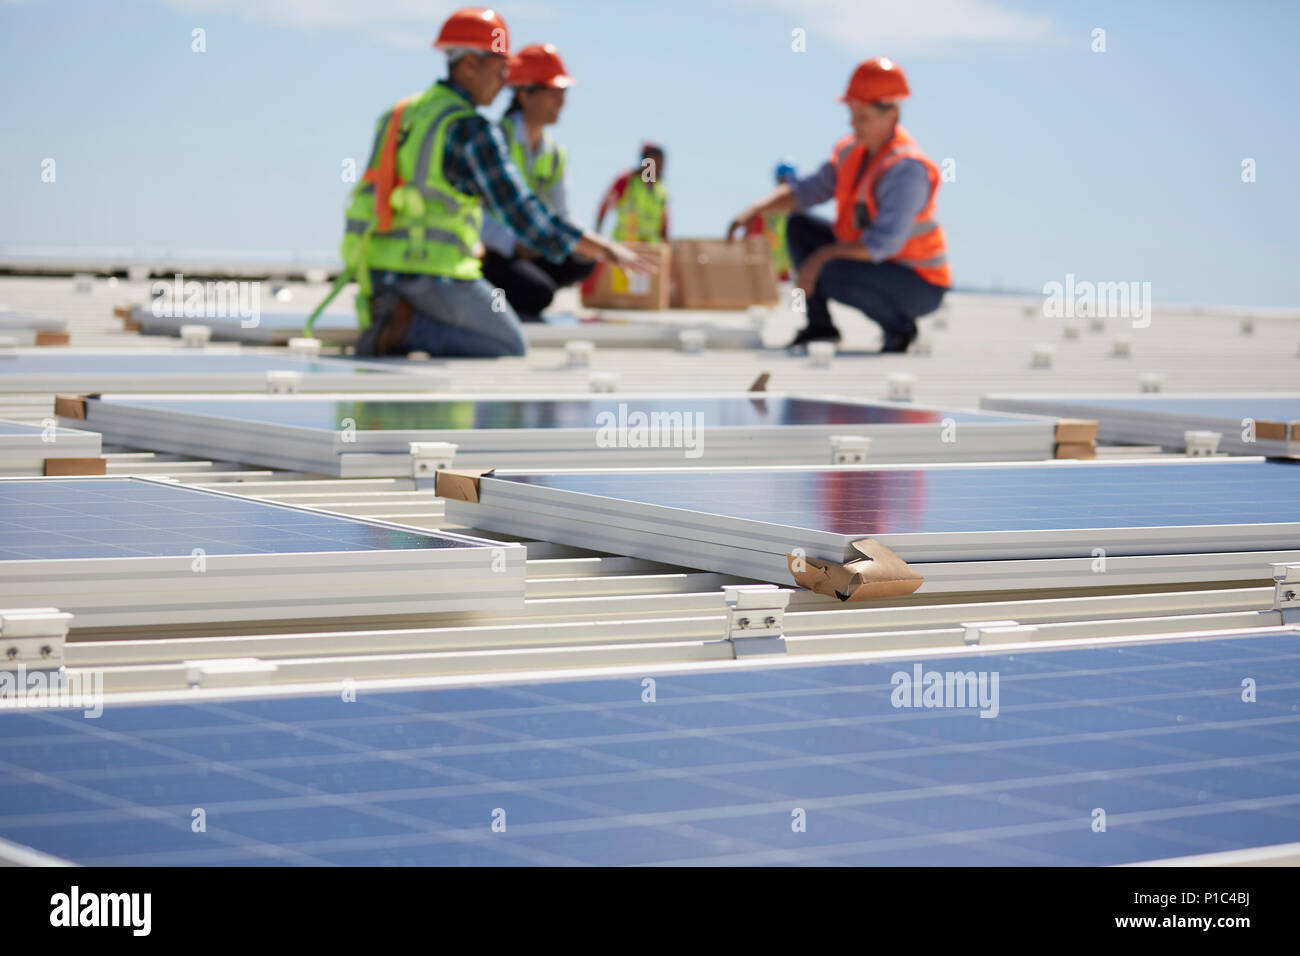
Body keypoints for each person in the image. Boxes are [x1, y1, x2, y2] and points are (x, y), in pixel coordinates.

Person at [312, 8, 650, 357]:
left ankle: (399, 317)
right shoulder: (471, 130)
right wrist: (605, 249)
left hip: (377, 270)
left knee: (546, 281)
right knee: (507, 343)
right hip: (431, 274)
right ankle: (405, 328)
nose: (505, 80)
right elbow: (524, 215)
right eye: (501, 68)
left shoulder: (401, 113)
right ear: (470, 65)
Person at [726, 58, 950, 353]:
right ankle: (820, 328)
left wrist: (818, 260)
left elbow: (881, 245)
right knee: (799, 226)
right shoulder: (850, 152)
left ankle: (900, 328)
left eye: (863, 117)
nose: (852, 124)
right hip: (873, 264)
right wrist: (754, 209)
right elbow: (806, 192)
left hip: (918, 283)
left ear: (891, 113)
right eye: (852, 114)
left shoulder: (906, 169)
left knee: (828, 271)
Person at [479, 43, 595, 321]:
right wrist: (513, 244)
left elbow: (564, 216)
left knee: (582, 261)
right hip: (492, 250)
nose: (561, 101)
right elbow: (473, 213)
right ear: (524, 95)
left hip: (529, 248)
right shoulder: (495, 140)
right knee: (539, 293)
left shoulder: (553, 154)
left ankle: (525, 285)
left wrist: (590, 245)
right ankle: (500, 289)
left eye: (563, 92)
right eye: (553, 92)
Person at [594, 143, 669, 243]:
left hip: (651, 248)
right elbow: (605, 206)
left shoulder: (661, 190)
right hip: (625, 246)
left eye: (660, 161)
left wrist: (666, 244)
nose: (659, 165)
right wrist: (597, 236)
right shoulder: (626, 181)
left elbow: (664, 222)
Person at [743, 161, 798, 281]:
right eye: (784, 180)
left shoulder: (799, 211)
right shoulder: (764, 212)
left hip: (791, 273)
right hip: (770, 274)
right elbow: (750, 240)